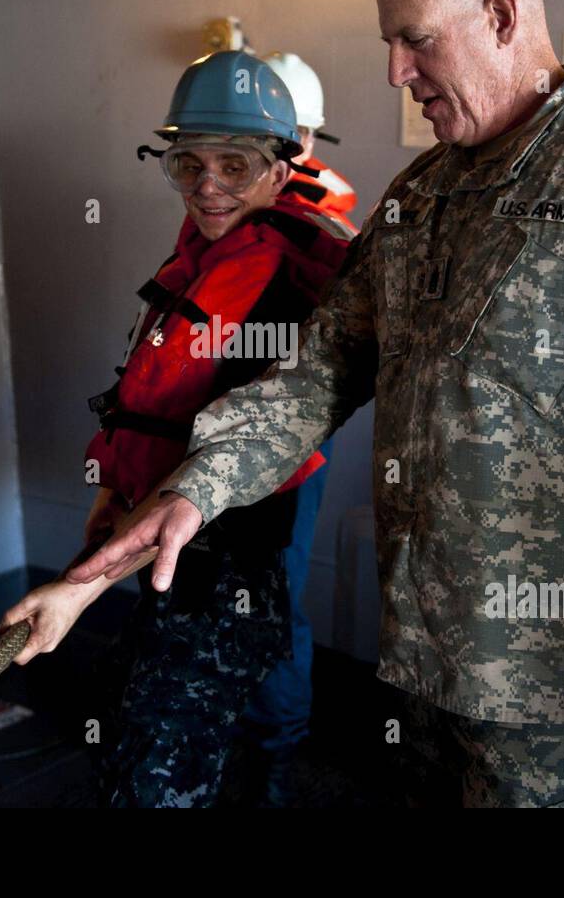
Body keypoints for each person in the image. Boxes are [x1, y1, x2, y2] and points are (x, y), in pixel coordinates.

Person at [69, 0, 564, 808]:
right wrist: (198, 486)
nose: (394, 73)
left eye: (413, 42)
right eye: (389, 44)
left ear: (500, 15)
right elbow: (324, 365)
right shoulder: (426, 191)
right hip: (424, 670)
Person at [0, 50, 355, 807]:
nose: (206, 186)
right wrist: (116, 495)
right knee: (138, 722)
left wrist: (78, 587)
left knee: (157, 777)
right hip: (164, 544)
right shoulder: (211, 252)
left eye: (234, 165)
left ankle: (273, 780)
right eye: (187, 163)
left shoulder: (282, 283)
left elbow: (222, 461)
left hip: (221, 554)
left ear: (282, 167)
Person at [233, 52, 358, 805]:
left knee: (272, 600)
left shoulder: (314, 233)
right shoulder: (228, 217)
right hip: (214, 454)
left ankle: (274, 764)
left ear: (301, 139)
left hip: (282, 459)